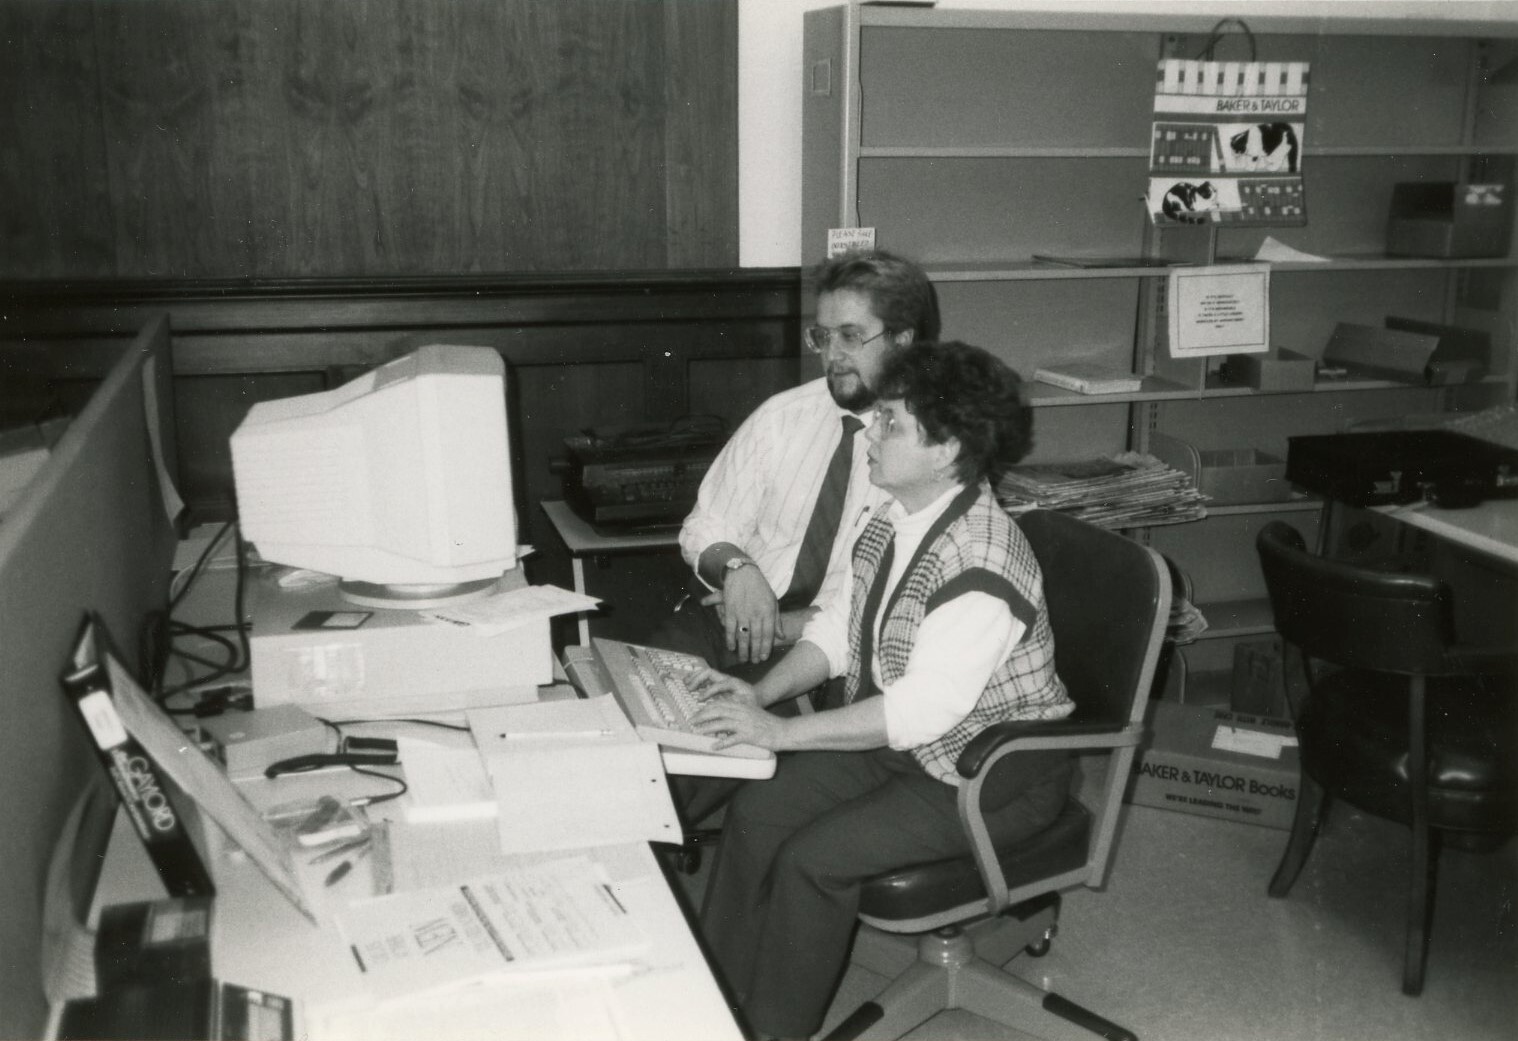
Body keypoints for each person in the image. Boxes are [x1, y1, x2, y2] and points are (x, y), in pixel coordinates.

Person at [687, 341, 1076, 1041]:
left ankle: (773, 1031)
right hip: (905, 747)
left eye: (891, 423)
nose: (870, 431)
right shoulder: (894, 514)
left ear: (946, 450)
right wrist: (761, 697)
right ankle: (706, 1006)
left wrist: (780, 733)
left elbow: (920, 708)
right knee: (757, 814)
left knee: (815, 860)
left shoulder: (982, 559)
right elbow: (837, 631)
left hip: (989, 775)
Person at [664, 249, 939, 676]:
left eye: (850, 336)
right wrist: (738, 570)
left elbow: (906, 606)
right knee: (628, 702)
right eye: (823, 336)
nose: (831, 356)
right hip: (728, 617)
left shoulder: (930, 449)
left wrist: (785, 626)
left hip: (828, 651)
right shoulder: (783, 416)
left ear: (901, 340)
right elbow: (706, 524)